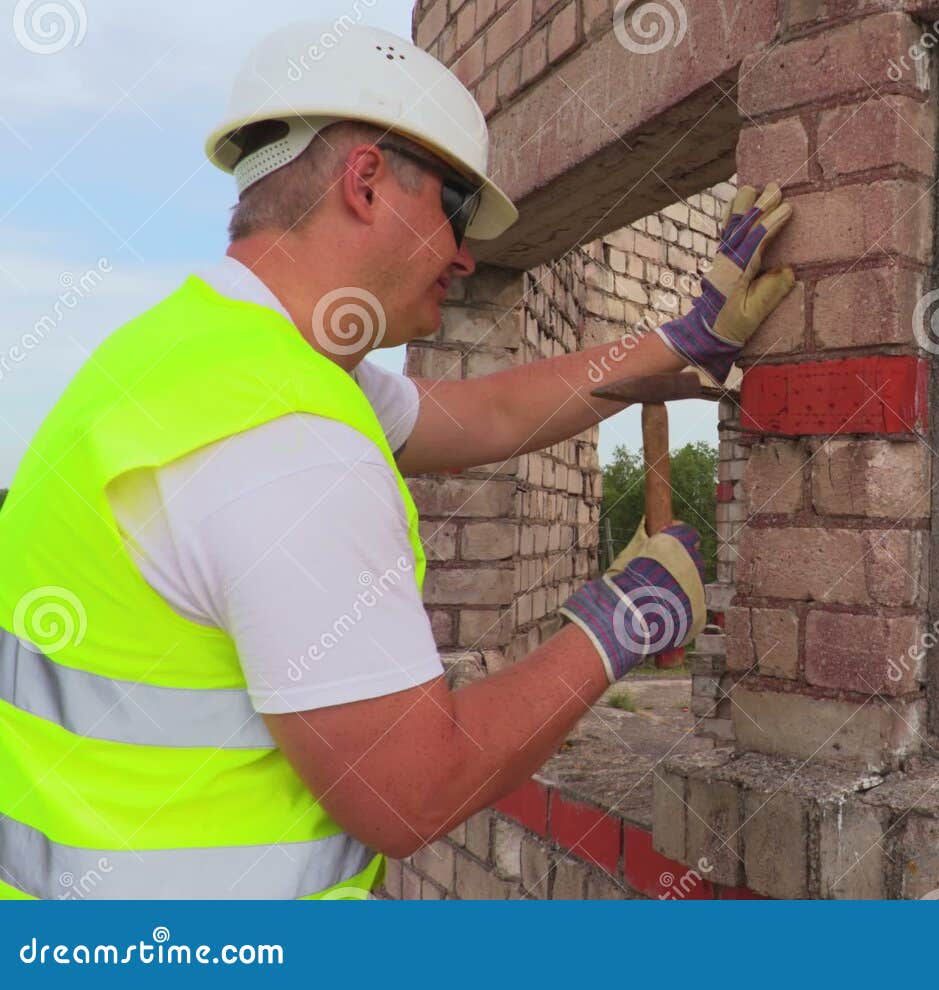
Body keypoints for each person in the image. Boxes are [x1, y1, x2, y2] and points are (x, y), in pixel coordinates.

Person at [0, 21, 794, 899]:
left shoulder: (197, 356)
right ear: (367, 183)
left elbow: (482, 414)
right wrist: (624, 620)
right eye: (455, 211)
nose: (463, 254)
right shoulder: (285, 443)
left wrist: (680, 343)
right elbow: (407, 790)